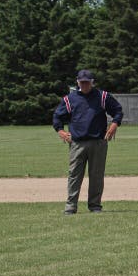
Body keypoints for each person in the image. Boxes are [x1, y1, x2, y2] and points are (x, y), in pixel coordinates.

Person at [52, 69, 123, 215]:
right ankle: (71, 206)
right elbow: (57, 117)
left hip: (98, 142)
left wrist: (114, 124)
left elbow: (117, 110)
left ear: (92, 82)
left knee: (96, 175)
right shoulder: (70, 99)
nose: (84, 85)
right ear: (77, 82)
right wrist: (61, 131)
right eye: (82, 82)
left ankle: (95, 205)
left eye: (87, 82)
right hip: (77, 143)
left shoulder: (102, 96)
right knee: (74, 175)